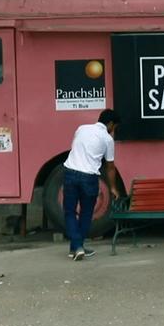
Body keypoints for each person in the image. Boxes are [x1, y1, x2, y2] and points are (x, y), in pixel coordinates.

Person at [62, 109, 122, 261]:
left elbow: (76, 148)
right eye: (114, 127)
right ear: (110, 124)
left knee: (69, 212)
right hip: (89, 178)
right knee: (86, 214)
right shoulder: (107, 140)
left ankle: (75, 248)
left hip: (70, 173)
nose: (114, 130)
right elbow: (110, 167)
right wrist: (113, 187)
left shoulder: (81, 129)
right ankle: (78, 246)